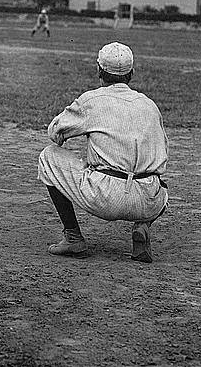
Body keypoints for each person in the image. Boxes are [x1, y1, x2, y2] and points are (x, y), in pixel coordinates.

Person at [37, 42, 169, 262]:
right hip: (149, 200)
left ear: (99, 70)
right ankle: (143, 226)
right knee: (159, 184)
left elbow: (55, 133)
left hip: (105, 197)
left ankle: (73, 237)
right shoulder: (149, 104)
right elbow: (163, 153)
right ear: (132, 73)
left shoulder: (92, 100)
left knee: (49, 156)